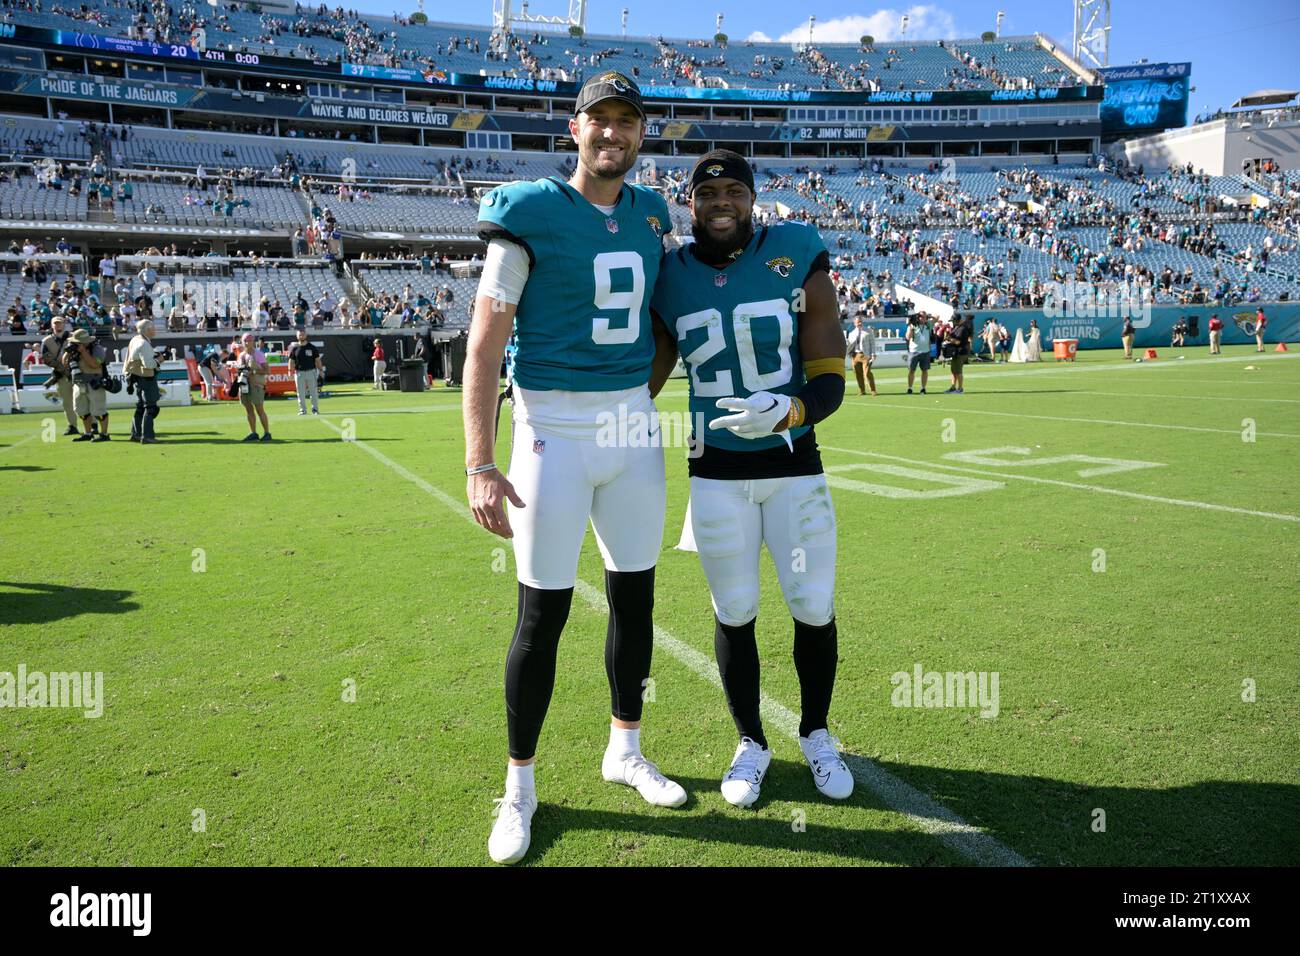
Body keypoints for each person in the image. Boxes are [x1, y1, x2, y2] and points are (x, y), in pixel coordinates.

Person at [463, 70, 682, 865]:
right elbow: (483, 347)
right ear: (574, 128)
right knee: (541, 614)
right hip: (548, 429)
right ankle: (519, 785)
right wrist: (480, 461)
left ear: (639, 135)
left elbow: (666, 325)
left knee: (635, 597)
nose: (612, 133)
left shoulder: (653, 213)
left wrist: (632, 399)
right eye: (600, 120)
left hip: (630, 428)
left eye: (627, 121)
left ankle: (624, 749)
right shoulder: (528, 210)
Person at [649, 149, 852, 809]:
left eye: (734, 190)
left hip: (793, 466)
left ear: (752, 198)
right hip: (715, 474)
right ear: (690, 203)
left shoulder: (794, 250)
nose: (721, 203)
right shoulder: (669, 273)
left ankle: (817, 733)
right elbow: (644, 371)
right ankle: (751, 742)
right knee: (733, 611)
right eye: (707, 194)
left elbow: (828, 369)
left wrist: (789, 410)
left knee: (813, 604)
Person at [67, 328, 110, 441]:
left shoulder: (97, 349)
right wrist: (68, 352)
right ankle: (87, 433)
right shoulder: (74, 349)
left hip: (94, 382)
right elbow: (64, 363)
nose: (76, 344)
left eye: (78, 342)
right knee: (81, 410)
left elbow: (94, 364)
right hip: (78, 383)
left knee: (99, 410)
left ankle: (104, 434)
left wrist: (83, 351)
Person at [39, 316, 79, 435]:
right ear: (52, 325)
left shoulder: (74, 336)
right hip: (62, 376)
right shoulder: (46, 341)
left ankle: (92, 425)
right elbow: (46, 359)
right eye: (55, 323)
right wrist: (63, 369)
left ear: (64, 324)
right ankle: (72, 426)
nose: (58, 325)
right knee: (67, 403)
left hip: (77, 373)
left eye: (60, 323)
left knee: (83, 400)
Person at [123, 318, 161, 443]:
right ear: (148, 330)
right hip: (145, 377)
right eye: (153, 328)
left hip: (136, 376)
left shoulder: (135, 339)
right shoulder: (144, 343)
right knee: (150, 407)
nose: (155, 330)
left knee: (140, 406)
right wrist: (159, 360)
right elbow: (149, 365)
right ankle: (147, 436)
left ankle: (136, 433)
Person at [235, 332, 271, 441]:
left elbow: (267, 370)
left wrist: (253, 371)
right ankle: (253, 433)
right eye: (245, 340)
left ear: (253, 342)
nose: (247, 342)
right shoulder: (241, 355)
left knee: (260, 410)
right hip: (245, 386)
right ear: (242, 342)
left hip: (256, 385)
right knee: (249, 410)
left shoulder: (258, 354)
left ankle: (267, 433)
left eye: (249, 340)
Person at [288, 328, 323, 415]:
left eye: (303, 334)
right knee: (300, 393)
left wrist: (321, 370)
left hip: (311, 372)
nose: (301, 336)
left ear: (306, 335)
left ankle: (315, 409)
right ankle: (302, 410)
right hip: (299, 373)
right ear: (297, 336)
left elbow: (318, 360)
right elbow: (291, 361)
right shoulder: (295, 349)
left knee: (313, 392)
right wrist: (290, 371)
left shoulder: (312, 347)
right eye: (300, 335)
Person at [845, 313, 876, 396]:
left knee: (867, 373)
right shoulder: (851, 334)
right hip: (855, 355)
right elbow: (850, 346)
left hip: (866, 355)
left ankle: (873, 390)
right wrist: (849, 354)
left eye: (860, 321)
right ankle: (862, 390)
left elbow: (872, 344)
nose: (859, 323)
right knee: (858, 374)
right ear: (854, 323)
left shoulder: (868, 331)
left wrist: (873, 354)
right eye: (858, 322)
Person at [906, 313, 933, 394]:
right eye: (921, 317)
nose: (923, 318)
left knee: (925, 370)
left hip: (925, 351)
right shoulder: (913, 326)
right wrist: (911, 327)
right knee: (911, 370)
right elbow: (907, 337)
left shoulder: (928, 325)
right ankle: (910, 388)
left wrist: (929, 316)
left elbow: (937, 317)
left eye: (925, 317)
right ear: (918, 318)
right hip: (914, 351)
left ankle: (923, 388)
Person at [944, 314, 972, 394]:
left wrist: (949, 339)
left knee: (958, 371)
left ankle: (960, 388)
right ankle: (953, 387)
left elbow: (957, 342)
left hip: (960, 352)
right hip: (955, 352)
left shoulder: (962, 329)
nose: (953, 322)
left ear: (957, 320)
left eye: (953, 321)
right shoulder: (957, 327)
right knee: (954, 371)